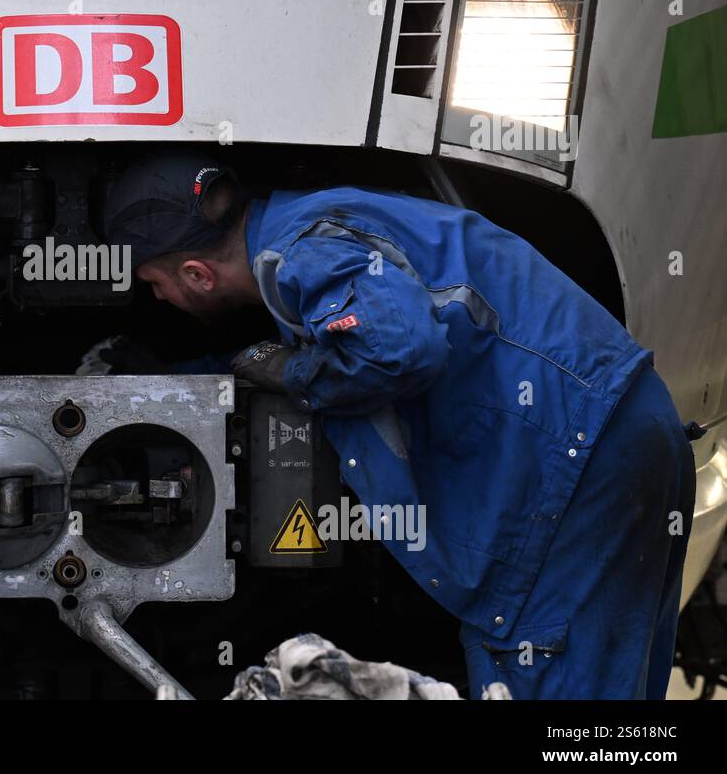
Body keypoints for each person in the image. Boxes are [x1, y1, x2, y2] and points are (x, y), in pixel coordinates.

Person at [102, 152, 697, 699]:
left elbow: (396, 350)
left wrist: (295, 373)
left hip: (574, 463)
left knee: (539, 679)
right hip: (620, 429)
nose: (157, 300)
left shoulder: (305, 250)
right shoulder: (324, 223)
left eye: (156, 284)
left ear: (198, 274)